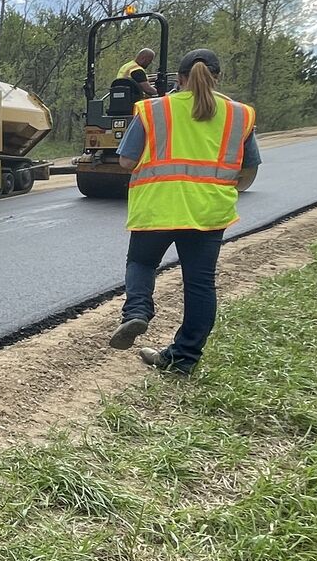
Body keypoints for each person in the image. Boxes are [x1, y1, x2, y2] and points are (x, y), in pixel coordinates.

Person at [107, 49, 260, 373]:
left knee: (142, 262)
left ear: (180, 78)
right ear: (217, 77)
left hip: (158, 206)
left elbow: (126, 161)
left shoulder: (154, 110)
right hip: (208, 212)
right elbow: (248, 170)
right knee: (200, 284)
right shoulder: (239, 115)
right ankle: (184, 359)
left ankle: (137, 311)